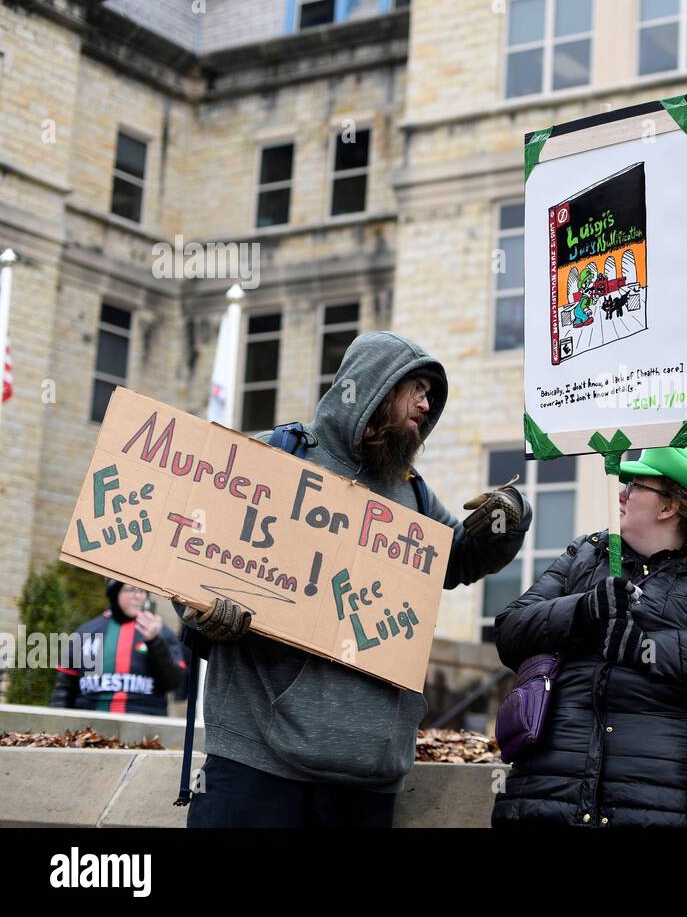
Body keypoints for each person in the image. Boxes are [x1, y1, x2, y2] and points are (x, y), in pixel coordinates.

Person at [182, 331, 532, 828]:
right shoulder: (278, 457)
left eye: (431, 393)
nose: (426, 403)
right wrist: (202, 607)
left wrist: (509, 520)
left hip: (368, 778)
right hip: (258, 763)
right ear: (374, 388)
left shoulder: (414, 495)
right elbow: (191, 551)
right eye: (416, 388)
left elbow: (458, 561)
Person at [492, 446, 687, 828]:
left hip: (675, 809)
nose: (621, 493)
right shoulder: (586, 554)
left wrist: (647, 648)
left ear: (669, 507)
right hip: (549, 802)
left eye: (633, 486)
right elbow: (511, 631)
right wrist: (583, 609)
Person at [51, 579, 187, 716]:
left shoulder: (162, 632)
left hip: (144, 727)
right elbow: (63, 689)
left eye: (142, 591)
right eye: (130, 590)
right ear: (114, 594)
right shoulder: (86, 632)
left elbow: (174, 683)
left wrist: (155, 641)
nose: (138, 596)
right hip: (88, 727)